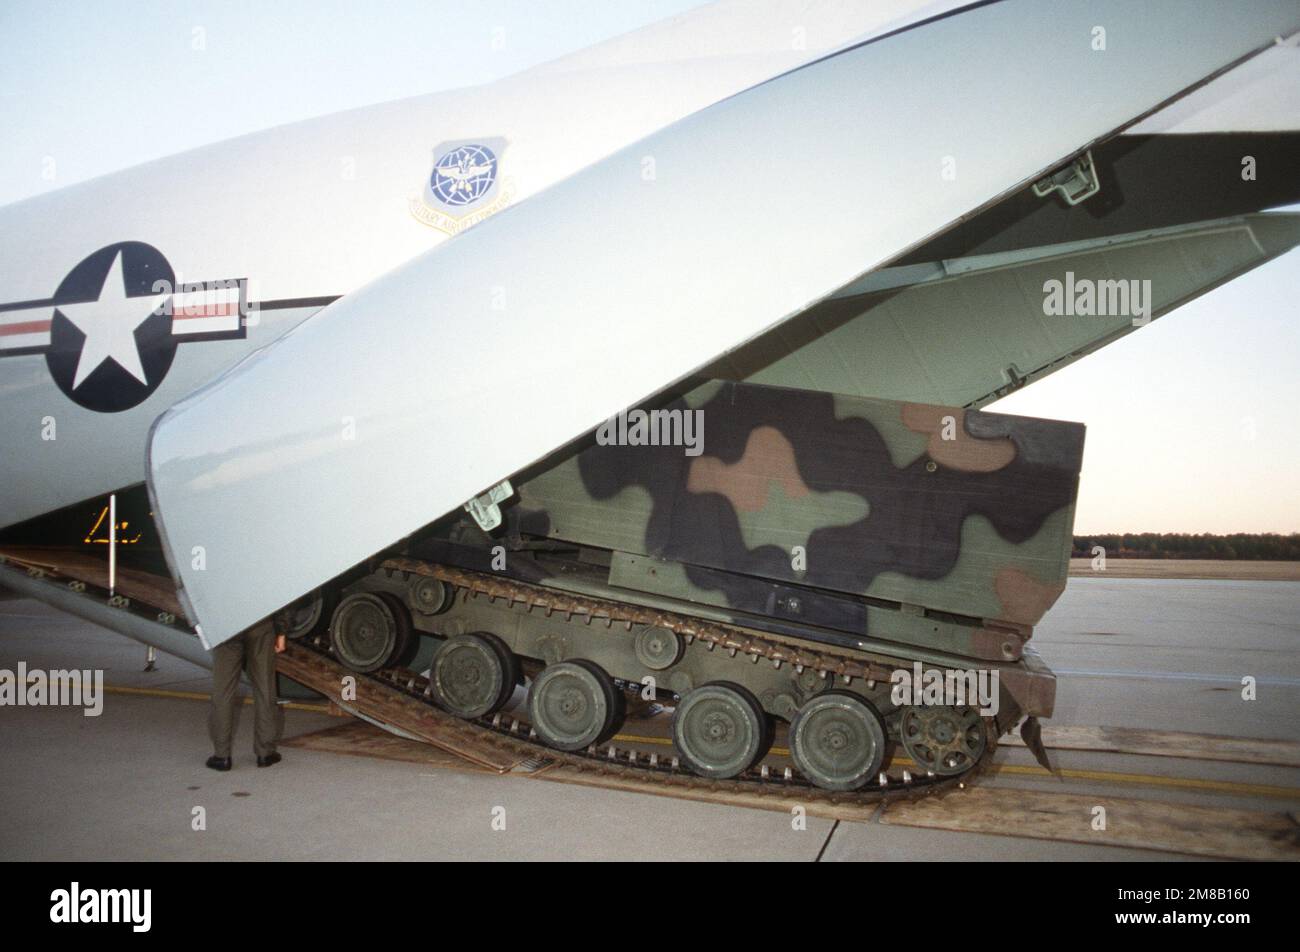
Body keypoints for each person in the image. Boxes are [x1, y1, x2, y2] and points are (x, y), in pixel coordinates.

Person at [205, 618, 287, 770]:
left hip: (224, 623)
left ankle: (222, 756)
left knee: (223, 690)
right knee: (265, 688)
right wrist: (281, 631)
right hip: (260, 621)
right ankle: (265, 753)